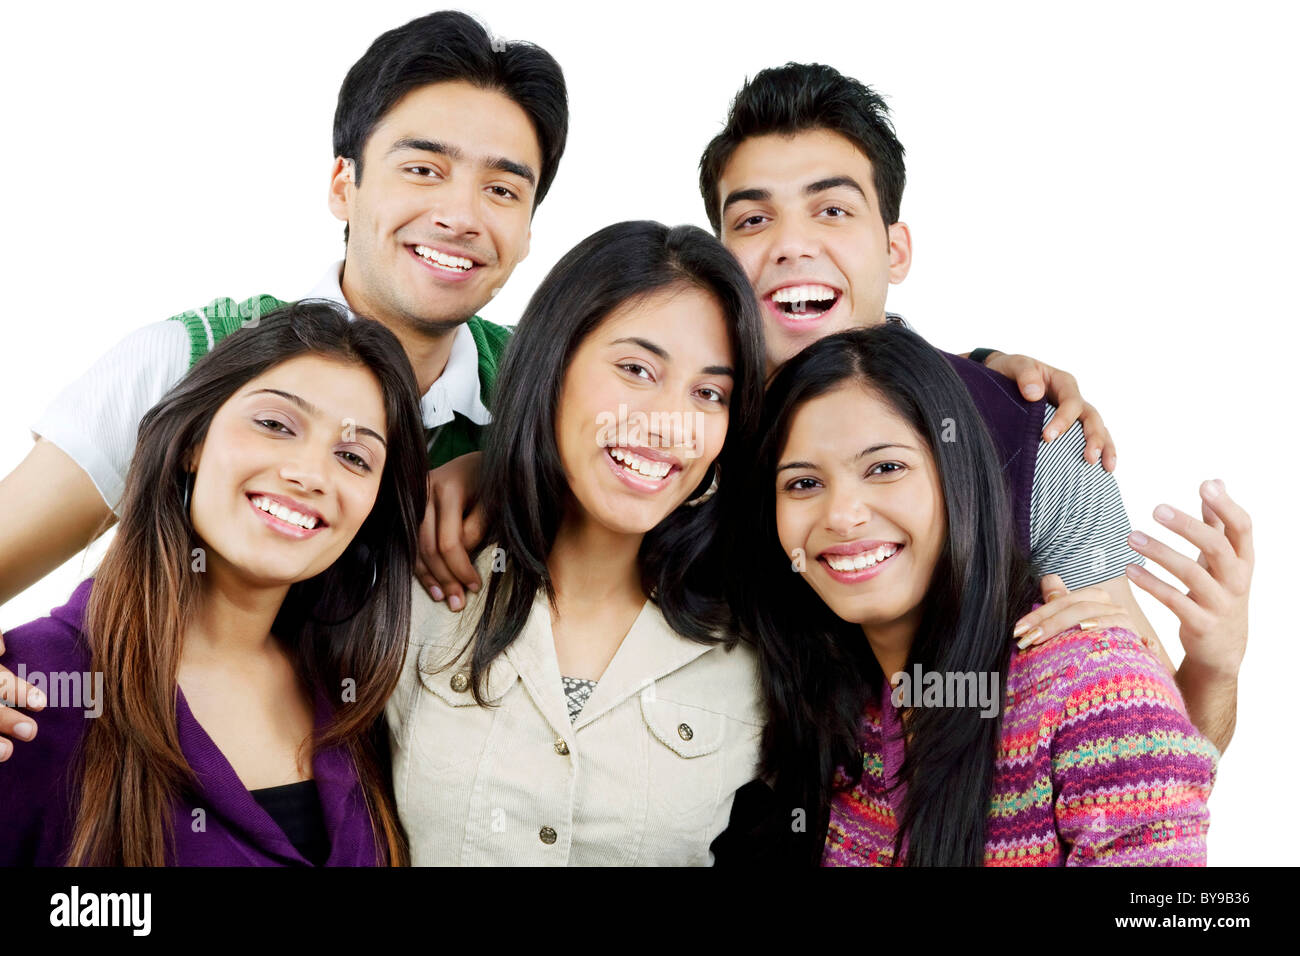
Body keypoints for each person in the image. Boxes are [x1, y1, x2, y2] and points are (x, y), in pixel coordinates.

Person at [1, 15, 1102, 751]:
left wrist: (998, 385)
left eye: (503, 186)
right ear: (344, 182)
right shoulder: (185, 358)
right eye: (422, 167)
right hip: (140, 769)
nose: (458, 213)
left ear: (532, 224)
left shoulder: (530, 375)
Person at [422, 61, 1249, 758]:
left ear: (894, 249)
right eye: (753, 218)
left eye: (832, 209)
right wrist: (490, 464)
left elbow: (1153, 762)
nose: (790, 243)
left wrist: (1213, 669)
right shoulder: (689, 438)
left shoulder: (1034, 442)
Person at [727, 324, 1225, 865]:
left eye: (886, 468)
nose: (843, 516)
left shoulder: (1092, 686)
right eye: (803, 483)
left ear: (959, 477)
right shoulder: (839, 711)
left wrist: (1215, 668)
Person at [387, 220, 768, 864]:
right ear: (553, 364)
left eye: (709, 393)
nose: (670, 425)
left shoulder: (761, 637)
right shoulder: (415, 584)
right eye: (636, 369)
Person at [0, 301, 428, 865]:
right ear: (192, 444)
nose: (309, 474)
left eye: (353, 456)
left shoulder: (362, 695)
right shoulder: (30, 687)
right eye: (275, 425)